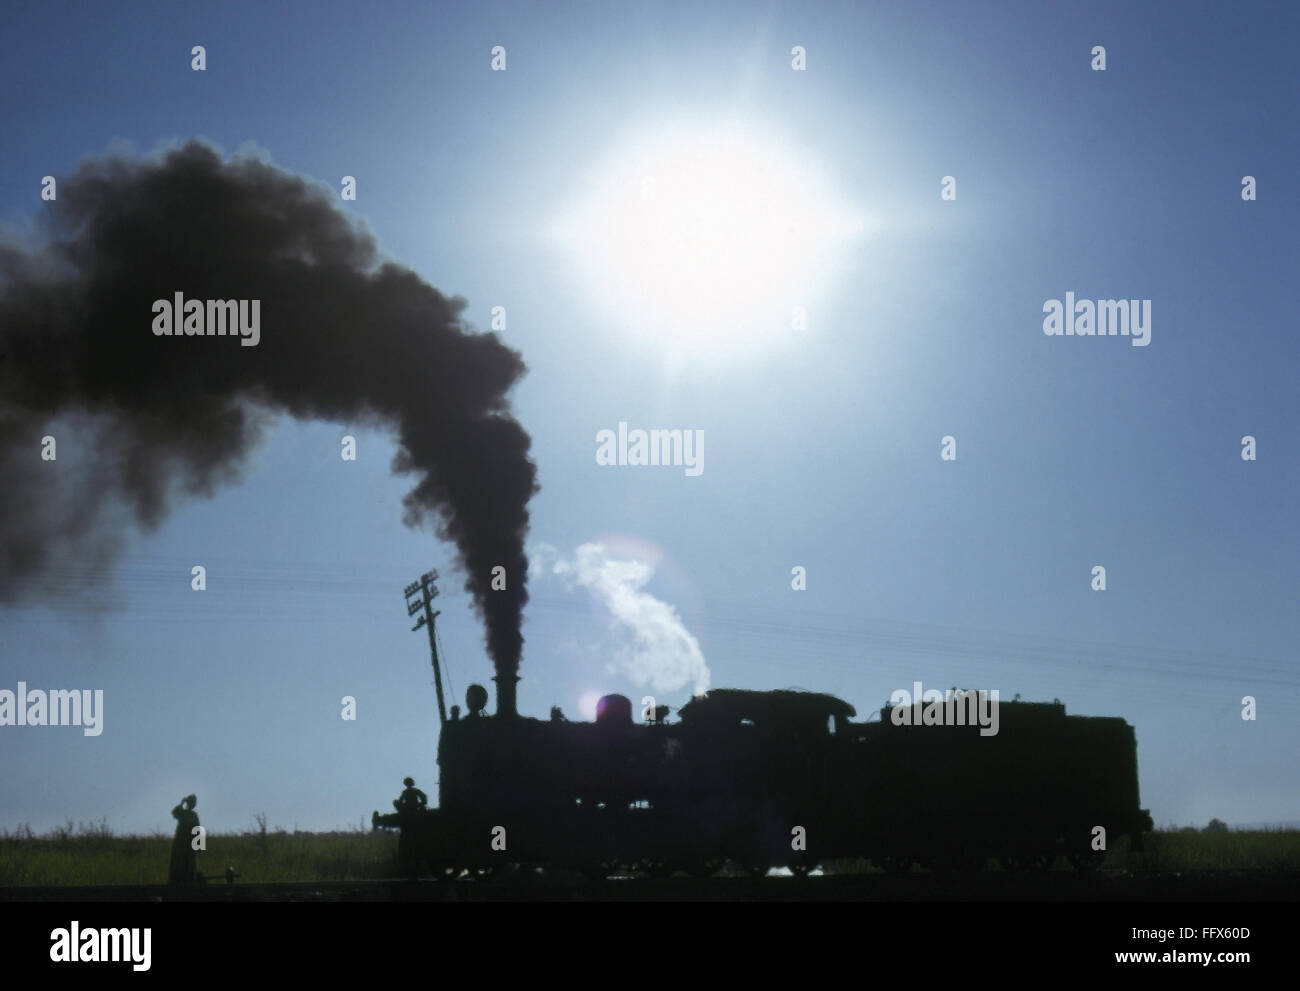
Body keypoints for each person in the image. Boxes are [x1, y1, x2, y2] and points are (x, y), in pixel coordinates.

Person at [169, 794, 200, 884]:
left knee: (189, 865)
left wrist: (199, 846)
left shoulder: (193, 815)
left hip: (188, 844)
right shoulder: (183, 813)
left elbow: (197, 829)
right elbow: (174, 812)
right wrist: (181, 803)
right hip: (180, 844)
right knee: (179, 864)